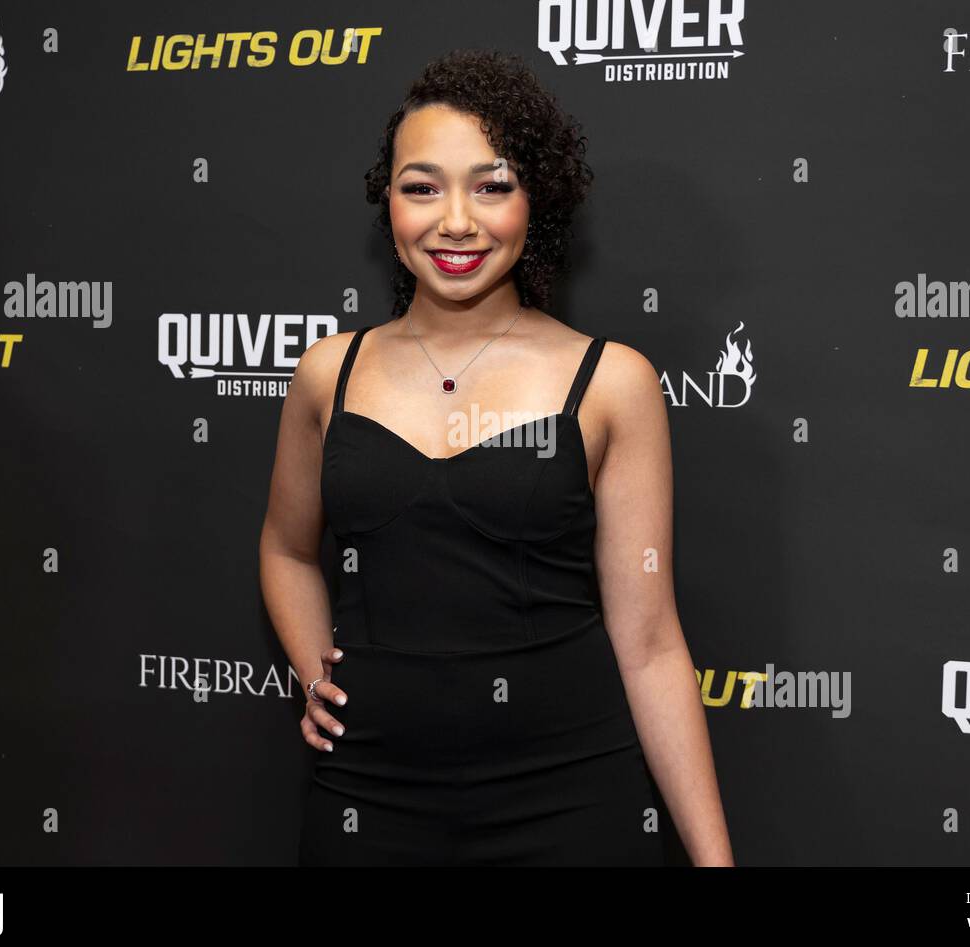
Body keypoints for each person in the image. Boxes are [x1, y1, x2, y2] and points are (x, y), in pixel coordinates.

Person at [260, 49, 734, 865]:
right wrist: (315, 674)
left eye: (491, 185)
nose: (455, 221)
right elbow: (286, 547)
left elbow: (651, 643)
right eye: (421, 187)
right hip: (369, 796)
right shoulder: (326, 374)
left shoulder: (612, 382)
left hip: (572, 796)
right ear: (389, 205)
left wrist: (715, 861)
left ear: (534, 199)